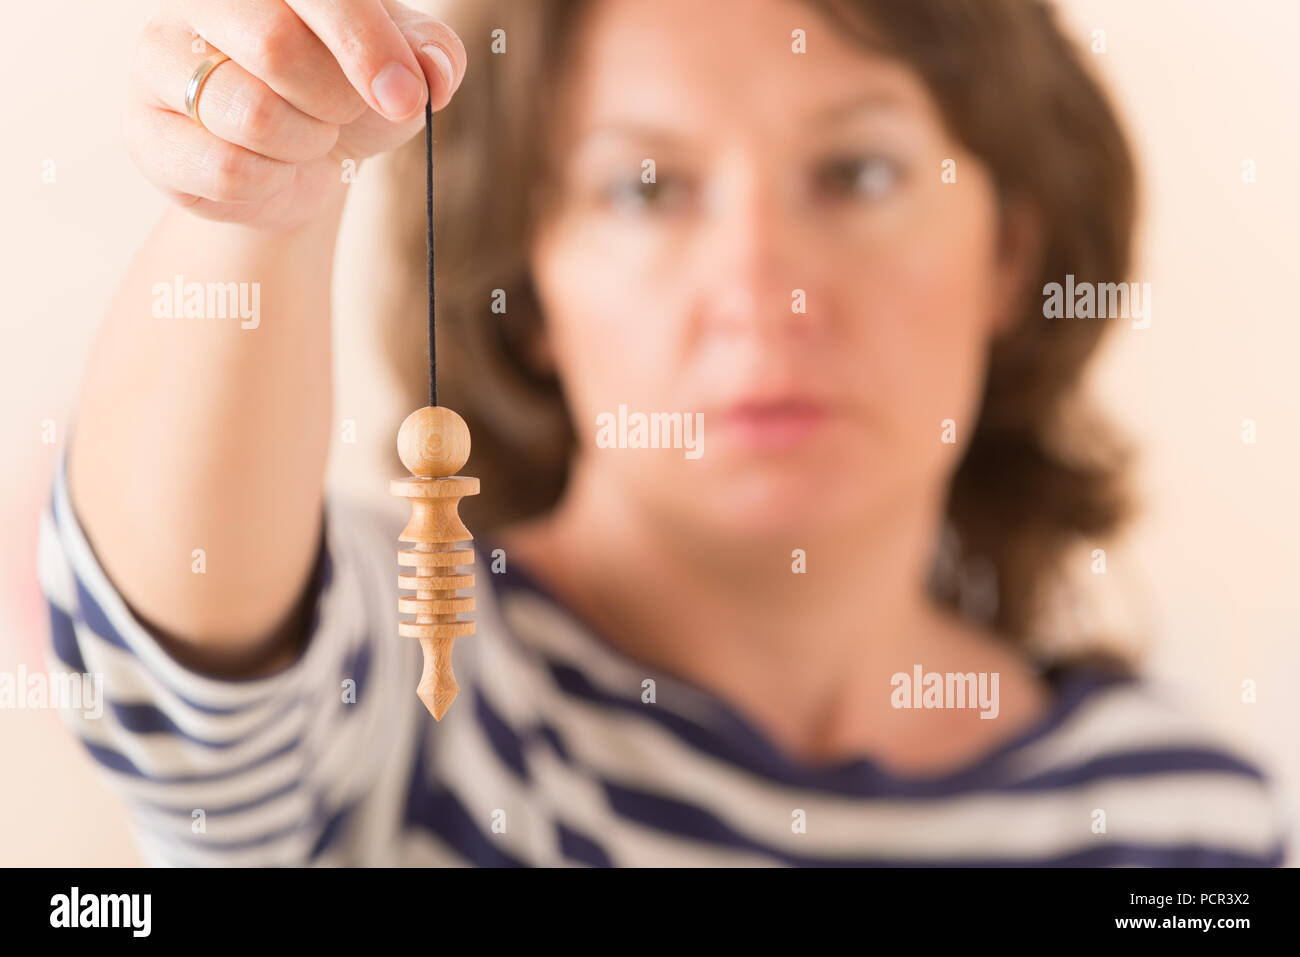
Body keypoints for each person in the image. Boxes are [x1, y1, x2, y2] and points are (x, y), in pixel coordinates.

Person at [39, 0, 1288, 865]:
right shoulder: (412, 701)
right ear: (528, 287)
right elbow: (184, 668)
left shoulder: (1184, 820)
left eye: (857, 175)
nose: (762, 289)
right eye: (644, 188)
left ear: (1011, 256)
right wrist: (256, 197)